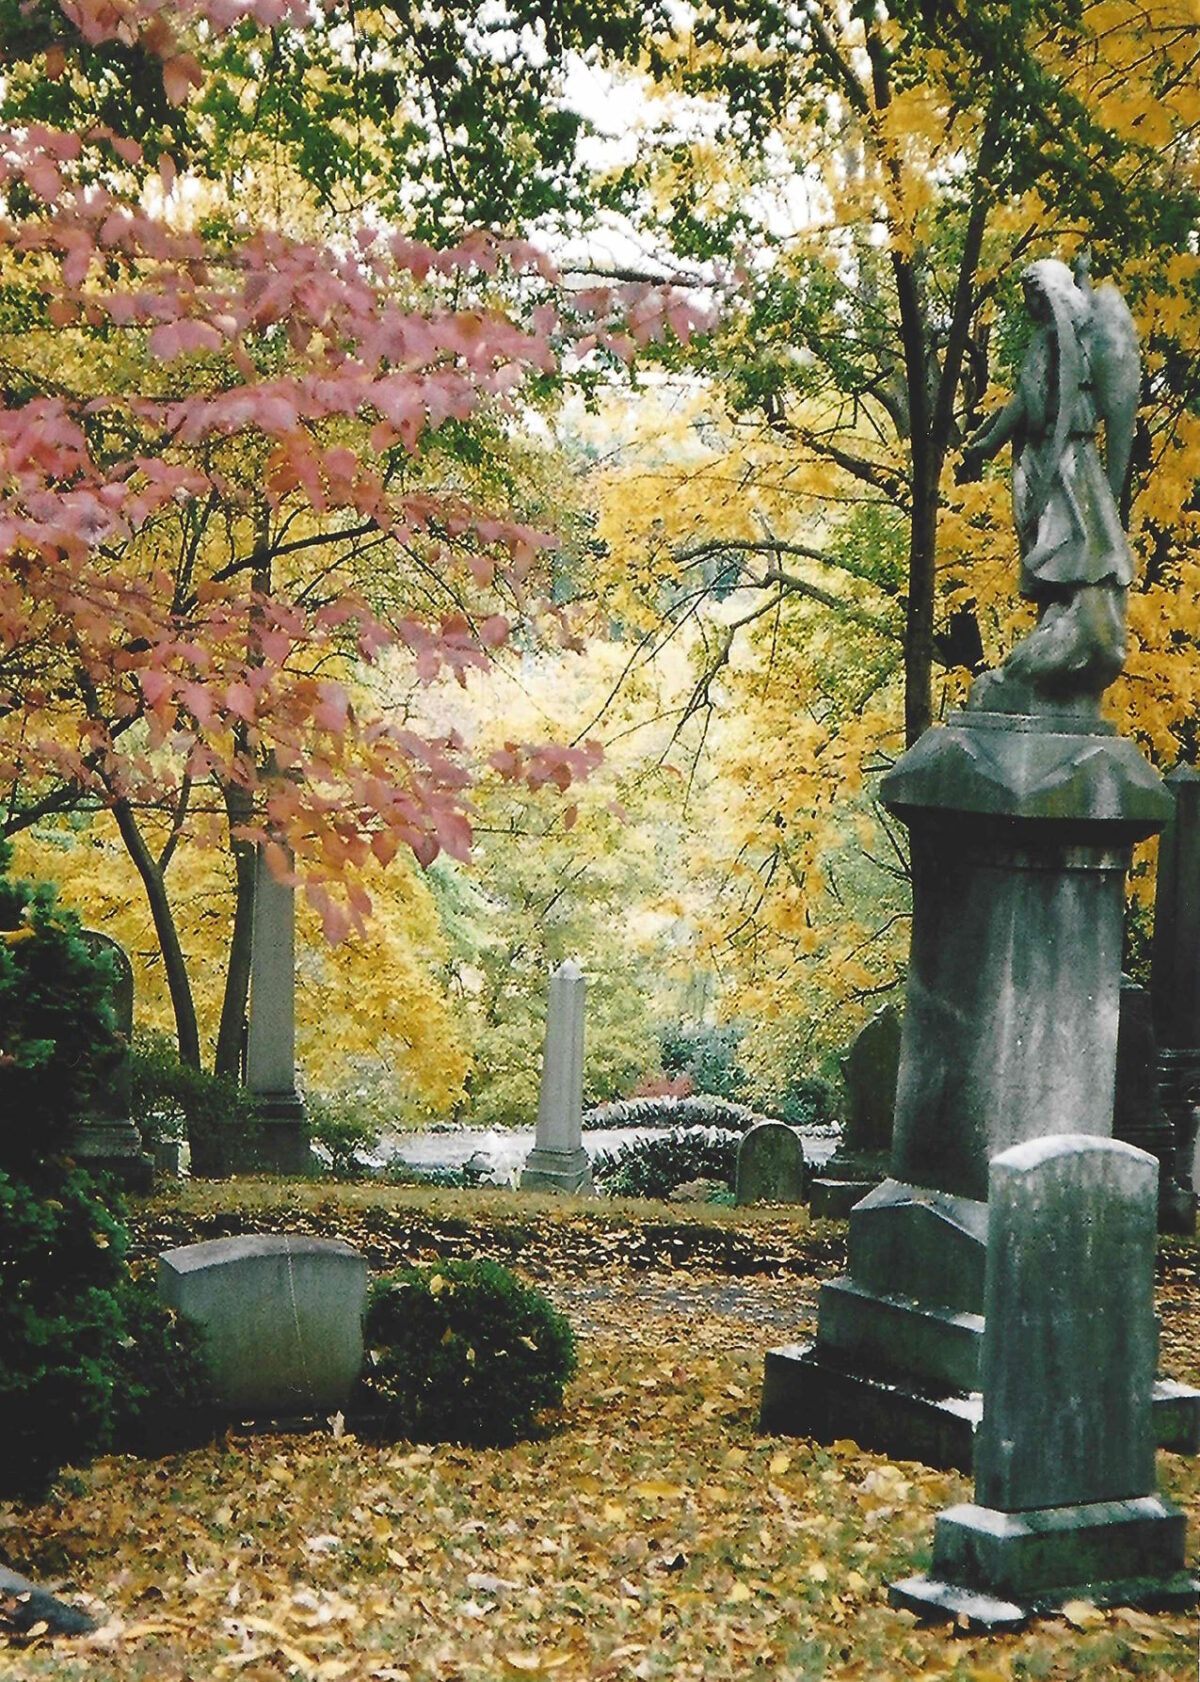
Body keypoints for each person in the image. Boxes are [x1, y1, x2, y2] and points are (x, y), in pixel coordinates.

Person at [961, 255, 1138, 712]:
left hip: (1059, 465)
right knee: (1076, 550)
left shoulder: (1050, 341)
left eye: (1032, 299)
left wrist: (989, 442)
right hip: (1077, 462)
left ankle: (1067, 626)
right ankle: (1058, 626)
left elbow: (1030, 405)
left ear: (1047, 297)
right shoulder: (1078, 340)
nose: (1029, 309)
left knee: (1069, 545)